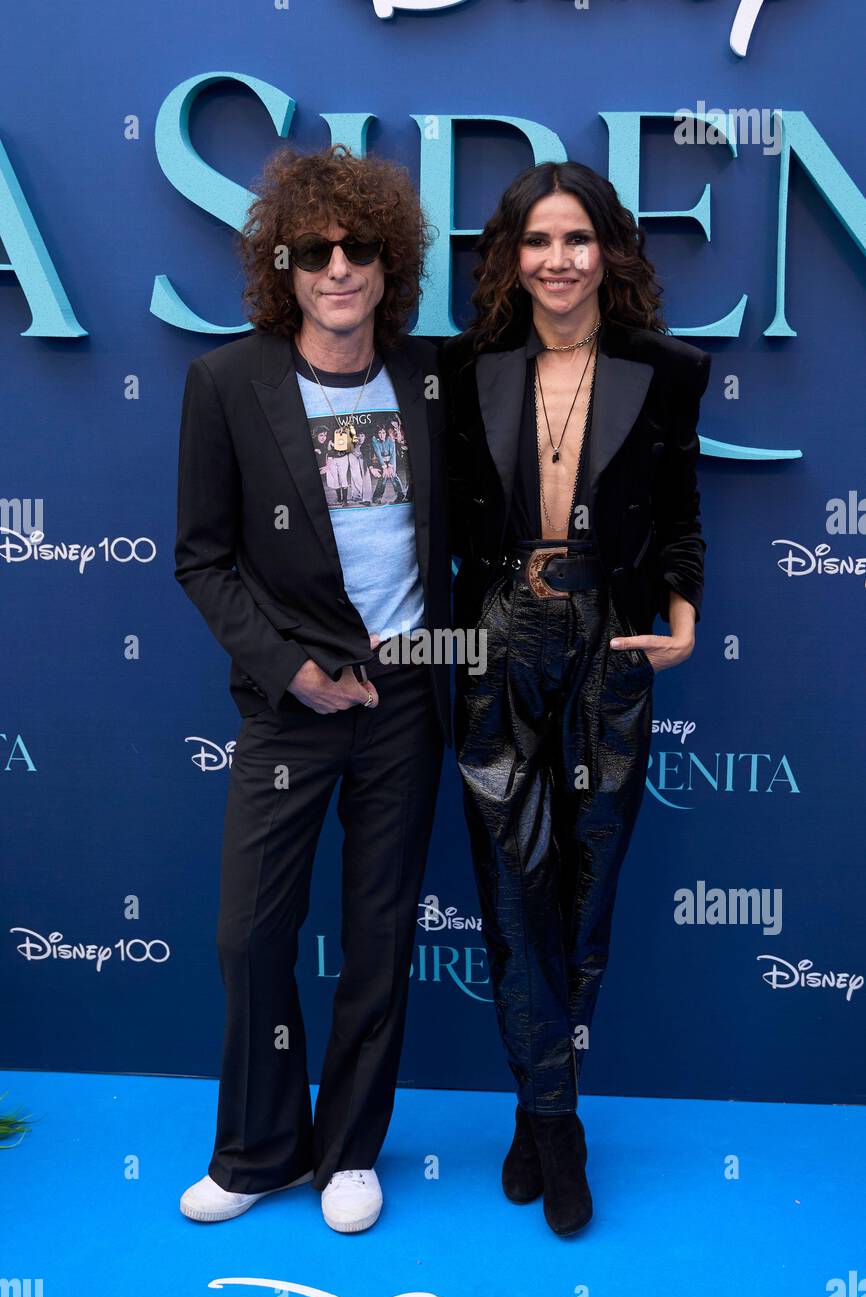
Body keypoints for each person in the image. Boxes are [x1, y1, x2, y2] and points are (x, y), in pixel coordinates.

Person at [175, 143, 450, 1233]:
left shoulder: (432, 378)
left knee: (379, 934)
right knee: (249, 935)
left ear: (390, 263)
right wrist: (291, 668)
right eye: (315, 251)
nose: (339, 267)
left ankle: (349, 1152)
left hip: (407, 700)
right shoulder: (225, 383)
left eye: (360, 248)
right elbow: (202, 558)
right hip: (290, 703)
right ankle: (258, 1152)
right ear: (281, 267)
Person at [438, 161, 711, 1236]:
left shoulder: (666, 369)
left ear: (609, 252)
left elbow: (681, 508)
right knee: (513, 886)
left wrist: (683, 613)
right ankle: (554, 1124)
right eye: (537, 240)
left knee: (585, 889)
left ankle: (539, 1105)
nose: (558, 260)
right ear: (512, 257)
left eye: (577, 238)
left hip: (611, 634)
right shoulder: (463, 369)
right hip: (497, 631)